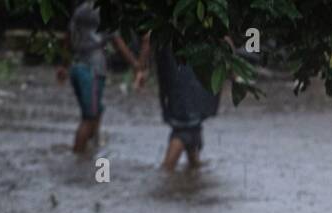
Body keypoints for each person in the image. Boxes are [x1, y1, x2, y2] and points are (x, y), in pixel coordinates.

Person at [57, 1, 144, 153]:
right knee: (89, 118)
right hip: (93, 70)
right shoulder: (104, 11)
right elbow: (117, 42)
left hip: (76, 68)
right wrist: (136, 65)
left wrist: (64, 65)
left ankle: (91, 151)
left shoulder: (80, 10)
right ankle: (78, 159)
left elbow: (68, 37)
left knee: (95, 111)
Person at [138, 33, 223, 171]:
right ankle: (181, 171)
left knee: (187, 123)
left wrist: (142, 68)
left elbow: (149, 36)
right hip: (191, 70)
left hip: (180, 71)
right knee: (187, 122)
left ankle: (184, 171)